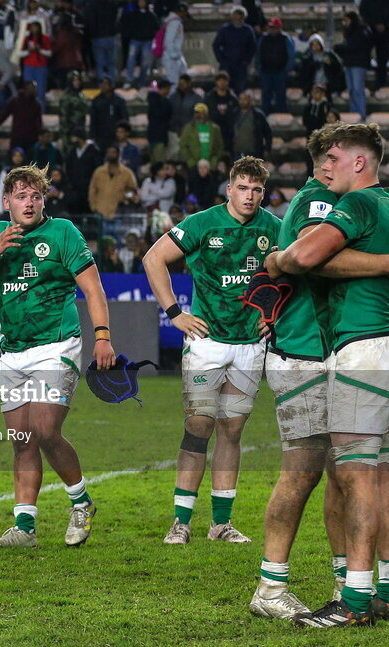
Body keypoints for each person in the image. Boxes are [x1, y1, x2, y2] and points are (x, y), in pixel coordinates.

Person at [249, 126, 389, 620]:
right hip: (304, 353)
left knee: (351, 473)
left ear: (356, 163)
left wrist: (280, 259)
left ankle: (356, 590)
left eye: (333, 157)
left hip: (345, 349)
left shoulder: (358, 202)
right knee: (315, 472)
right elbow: (309, 256)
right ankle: (277, 588)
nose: (325, 166)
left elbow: (302, 259)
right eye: (319, 157)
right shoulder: (321, 201)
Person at [0, 164, 114, 550]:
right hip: (13, 350)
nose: (29, 203)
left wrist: (103, 337)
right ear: (6, 201)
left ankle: (81, 502)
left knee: (44, 429)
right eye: (21, 196)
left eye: (36, 196)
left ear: (44, 201)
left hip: (57, 344)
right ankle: (24, 527)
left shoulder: (62, 233)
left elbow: (93, 289)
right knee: (22, 438)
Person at [142, 156, 280, 546]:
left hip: (250, 346)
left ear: (263, 193)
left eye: (256, 190)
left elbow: (294, 272)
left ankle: (220, 524)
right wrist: (174, 313)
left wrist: (274, 314)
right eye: (243, 188)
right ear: (229, 189)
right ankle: (181, 522)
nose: (249, 196)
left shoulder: (275, 228)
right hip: (206, 343)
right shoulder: (203, 222)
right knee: (198, 428)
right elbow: (154, 258)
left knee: (232, 431)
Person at [335, 11, 371, 121]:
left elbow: (353, 47)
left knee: (357, 89)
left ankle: (361, 114)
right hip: (349, 63)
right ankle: (354, 113)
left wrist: (338, 47)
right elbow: (347, 48)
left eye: (346, 20)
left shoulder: (362, 31)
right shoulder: (348, 32)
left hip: (358, 65)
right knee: (351, 90)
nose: (344, 23)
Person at [88, 145, 139, 221]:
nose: (110, 154)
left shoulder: (127, 173)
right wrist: (94, 208)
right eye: (108, 152)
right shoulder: (98, 172)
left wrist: (128, 198)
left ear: (119, 154)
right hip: (101, 213)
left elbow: (133, 192)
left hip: (119, 215)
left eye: (113, 152)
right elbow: (92, 191)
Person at [212, 6, 256, 93]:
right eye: (235, 15)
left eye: (239, 16)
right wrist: (221, 60)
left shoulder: (248, 30)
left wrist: (247, 60)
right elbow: (216, 45)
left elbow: (252, 47)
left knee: (239, 90)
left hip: (241, 67)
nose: (237, 18)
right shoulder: (225, 29)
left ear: (243, 17)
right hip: (226, 65)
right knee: (223, 89)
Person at [256, 17, 295, 114]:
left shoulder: (286, 38)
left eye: (275, 27)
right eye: (271, 27)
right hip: (266, 71)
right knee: (266, 95)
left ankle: (281, 114)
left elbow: (291, 55)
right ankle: (265, 115)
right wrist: (259, 67)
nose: (273, 29)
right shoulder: (263, 38)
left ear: (280, 27)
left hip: (280, 71)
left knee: (280, 95)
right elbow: (258, 54)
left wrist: (287, 69)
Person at [360, 0, 389, 92]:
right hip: (370, 32)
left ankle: (381, 84)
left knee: (383, 60)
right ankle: (362, 82)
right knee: (364, 56)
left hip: (386, 34)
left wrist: (386, 25)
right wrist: (374, 24)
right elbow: (363, 12)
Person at [122, 0, 158, 89]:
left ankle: (141, 82)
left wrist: (150, 35)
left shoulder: (151, 15)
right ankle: (129, 80)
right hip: (135, 40)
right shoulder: (132, 14)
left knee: (145, 63)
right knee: (131, 60)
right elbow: (127, 25)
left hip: (147, 41)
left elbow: (156, 27)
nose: (141, 3)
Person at [180, 102, 224, 175]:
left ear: (207, 114)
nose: (199, 115)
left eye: (202, 113)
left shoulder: (215, 128)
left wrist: (214, 160)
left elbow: (220, 146)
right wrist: (190, 161)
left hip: (211, 165)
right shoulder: (188, 128)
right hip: (194, 165)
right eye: (197, 113)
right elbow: (182, 145)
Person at [232, 90, 271, 160]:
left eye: (245, 99)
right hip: (237, 153)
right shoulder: (234, 114)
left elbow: (268, 133)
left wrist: (267, 149)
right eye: (241, 99)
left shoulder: (258, 115)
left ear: (250, 101)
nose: (243, 101)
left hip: (254, 153)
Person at [160, 2, 190, 85]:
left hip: (176, 56)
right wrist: (173, 55)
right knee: (174, 82)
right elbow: (169, 40)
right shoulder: (174, 23)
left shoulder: (173, 21)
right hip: (171, 57)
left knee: (183, 79)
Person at [147, 79, 173, 163]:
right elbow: (167, 116)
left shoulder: (152, 100)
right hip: (159, 136)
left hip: (152, 135)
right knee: (159, 163)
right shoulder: (163, 102)